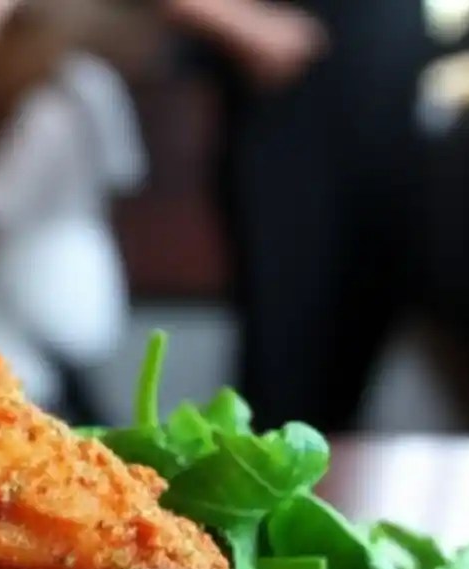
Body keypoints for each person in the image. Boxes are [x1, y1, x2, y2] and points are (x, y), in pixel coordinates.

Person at [167, 0, 434, 432]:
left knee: (356, 345)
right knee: (289, 362)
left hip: (387, 102)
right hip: (296, 112)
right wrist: (242, 22)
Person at [0, 0, 146, 421]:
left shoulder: (48, 103)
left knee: (18, 400)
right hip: (87, 257)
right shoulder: (94, 80)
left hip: (33, 268)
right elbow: (126, 169)